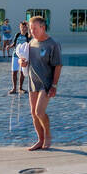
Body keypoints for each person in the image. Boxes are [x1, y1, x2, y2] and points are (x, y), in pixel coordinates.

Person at [19, 15, 62, 150]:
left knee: (39, 111)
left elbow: (58, 66)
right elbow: (23, 59)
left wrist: (54, 85)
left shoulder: (53, 44)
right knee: (33, 113)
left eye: (34, 29)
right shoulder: (31, 43)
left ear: (43, 28)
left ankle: (48, 136)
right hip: (33, 82)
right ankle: (40, 139)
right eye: (30, 30)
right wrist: (22, 62)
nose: (32, 32)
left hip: (46, 83)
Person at [8, 21, 29, 94]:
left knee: (22, 72)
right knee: (14, 72)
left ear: (27, 28)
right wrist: (9, 46)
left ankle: (20, 88)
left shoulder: (28, 36)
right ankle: (14, 88)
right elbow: (14, 43)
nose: (23, 29)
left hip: (24, 57)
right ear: (20, 28)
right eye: (22, 27)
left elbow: (30, 45)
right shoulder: (17, 35)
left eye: (25, 27)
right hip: (15, 55)